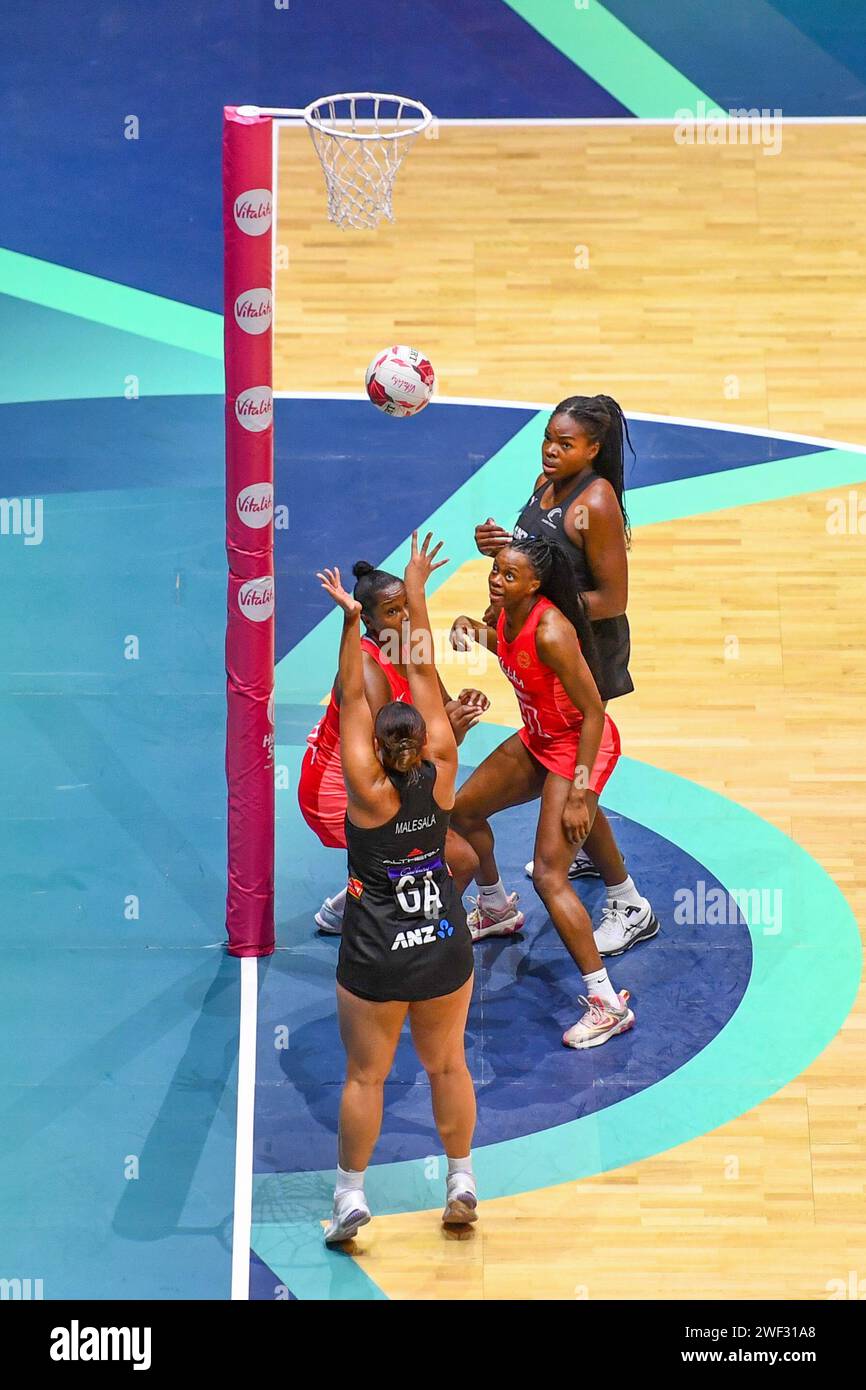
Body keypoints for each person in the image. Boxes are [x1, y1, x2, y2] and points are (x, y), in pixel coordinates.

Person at [317, 533, 478, 1244]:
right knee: (447, 1063)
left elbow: (355, 692)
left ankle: (351, 1198)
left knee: (365, 1079)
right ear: (425, 740)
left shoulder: (368, 793)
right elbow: (423, 672)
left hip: (377, 955)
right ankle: (462, 1178)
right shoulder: (440, 769)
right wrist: (414, 593)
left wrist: (351, 619)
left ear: (377, 749)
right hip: (443, 947)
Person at [449, 536, 653, 1048]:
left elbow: (593, 713)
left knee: (548, 874)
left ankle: (607, 1003)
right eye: (495, 570)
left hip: (577, 744)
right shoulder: (503, 613)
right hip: (540, 737)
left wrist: (581, 792)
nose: (497, 579)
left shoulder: (552, 630)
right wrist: (467, 627)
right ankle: (495, 908)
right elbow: (502, 644)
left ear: (535, 584)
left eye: (510, 575)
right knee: (464, 810)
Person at [473, 393, 656, 956]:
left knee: (577, 759)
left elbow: (614, 596)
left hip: (584, 647)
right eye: (548, 439)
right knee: (568, 765)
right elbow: (541, 556)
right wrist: (502, 550)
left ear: (593, 449)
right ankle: (574, 836)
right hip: (547, 636)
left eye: (565, 444)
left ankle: (627, 902)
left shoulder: (595, 501)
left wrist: (544, 611)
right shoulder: (545, 481)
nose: (551, 451)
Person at [298, 559, 488, 933]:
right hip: (339, 792)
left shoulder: (412, 653)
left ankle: (353, 903)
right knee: (461, 861)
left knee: (447, 853)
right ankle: (409, 935)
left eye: (405, 606)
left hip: (384, 776)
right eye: (391, 611)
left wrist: (461, 709)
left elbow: (438, 711)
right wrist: (451, 735)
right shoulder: (369, 672)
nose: (403, 617)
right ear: (368, 622)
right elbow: (393, 762)